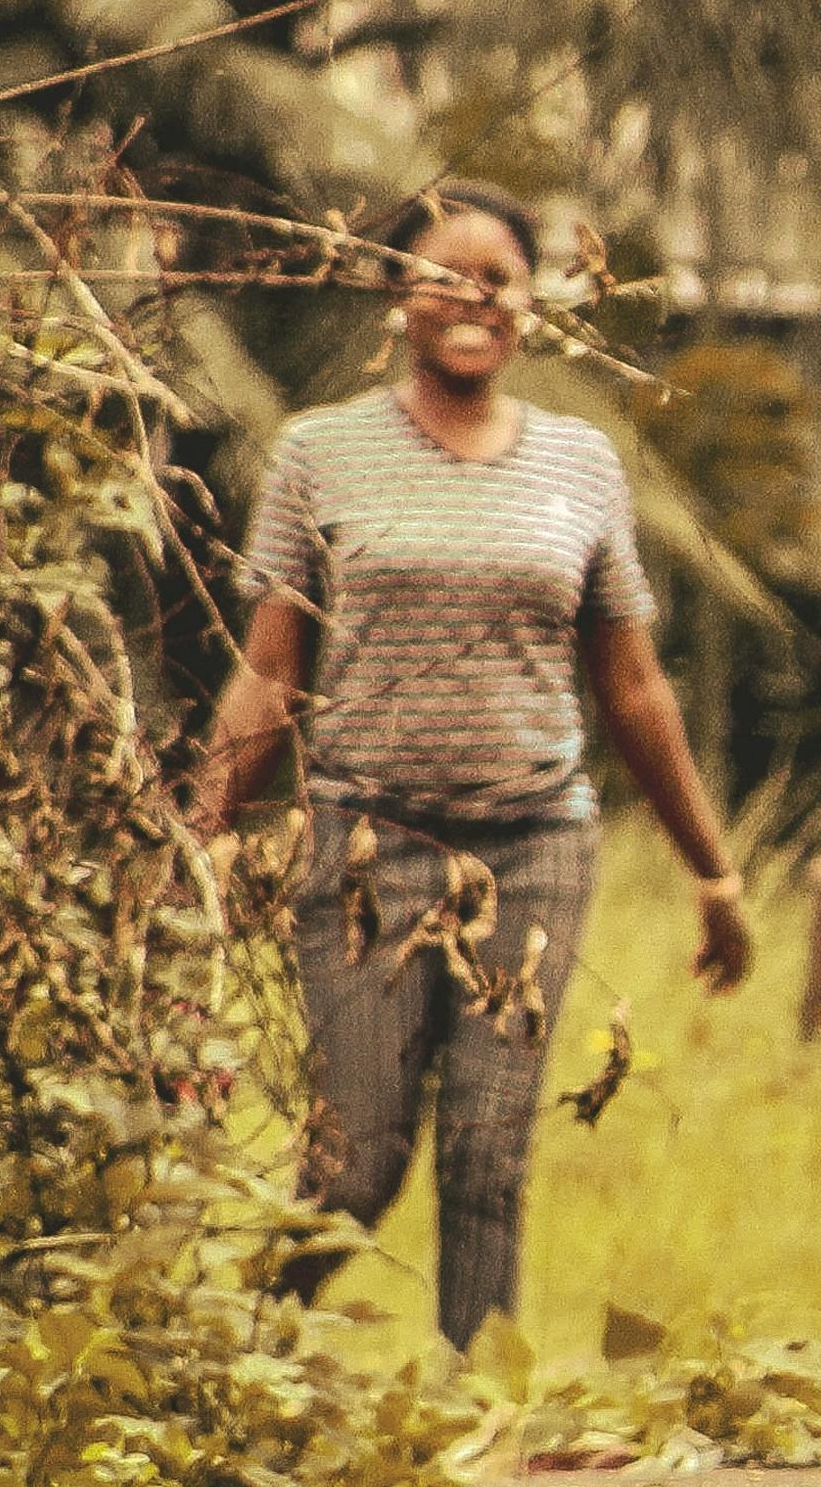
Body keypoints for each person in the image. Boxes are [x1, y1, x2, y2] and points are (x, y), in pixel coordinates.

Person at [188, 181, 752, 1349]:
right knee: (358, 1164)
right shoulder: (319, 454)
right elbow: (267, 671)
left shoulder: (581, 464)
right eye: (445, 271)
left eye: (499, 276)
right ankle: (234, 1372)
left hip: (533, 846)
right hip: (362, 847)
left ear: (531, 304)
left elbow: (633, 686)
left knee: (490, 1158)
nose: (473, 296)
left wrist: (714, 871)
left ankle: (478, 1433)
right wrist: (197, 834)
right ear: (398, 295)